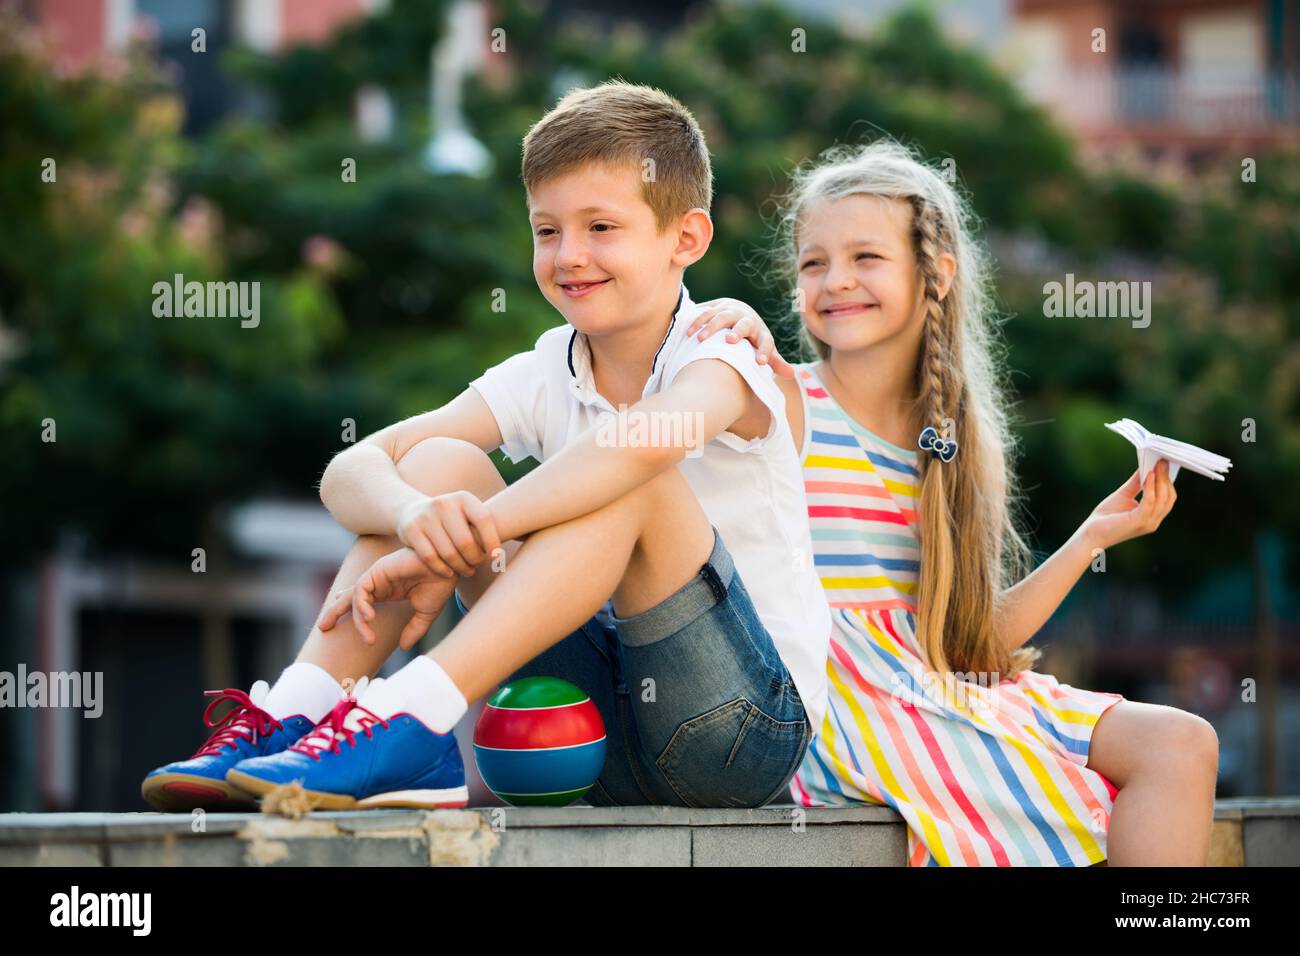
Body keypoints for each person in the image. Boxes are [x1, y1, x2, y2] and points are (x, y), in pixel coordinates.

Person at [142, 80, 831, 813]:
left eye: (602, 227)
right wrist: (418, 522)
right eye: (547, 230)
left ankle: (411, 711)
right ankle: (300, 711)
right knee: (438, 470)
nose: (570, 255)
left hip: (736, 732)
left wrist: (481, 532)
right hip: (577, 727)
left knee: (635, 479)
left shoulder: (722, 355)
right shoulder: (545, 368)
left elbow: (634, 449)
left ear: (685, 239)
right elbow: (352, 470)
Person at [682, 140, 1219, 865]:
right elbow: (680, 407)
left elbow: (972, 644)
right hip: (829, 702)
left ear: (934, 276)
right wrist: (729, 328)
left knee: (1182, 742)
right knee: (1080, 797)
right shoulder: (781, 401)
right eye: (814, 262)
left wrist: (1090, 538)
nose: (835, 281)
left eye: (866, 258)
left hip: (937, 687)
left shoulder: (963, 445)